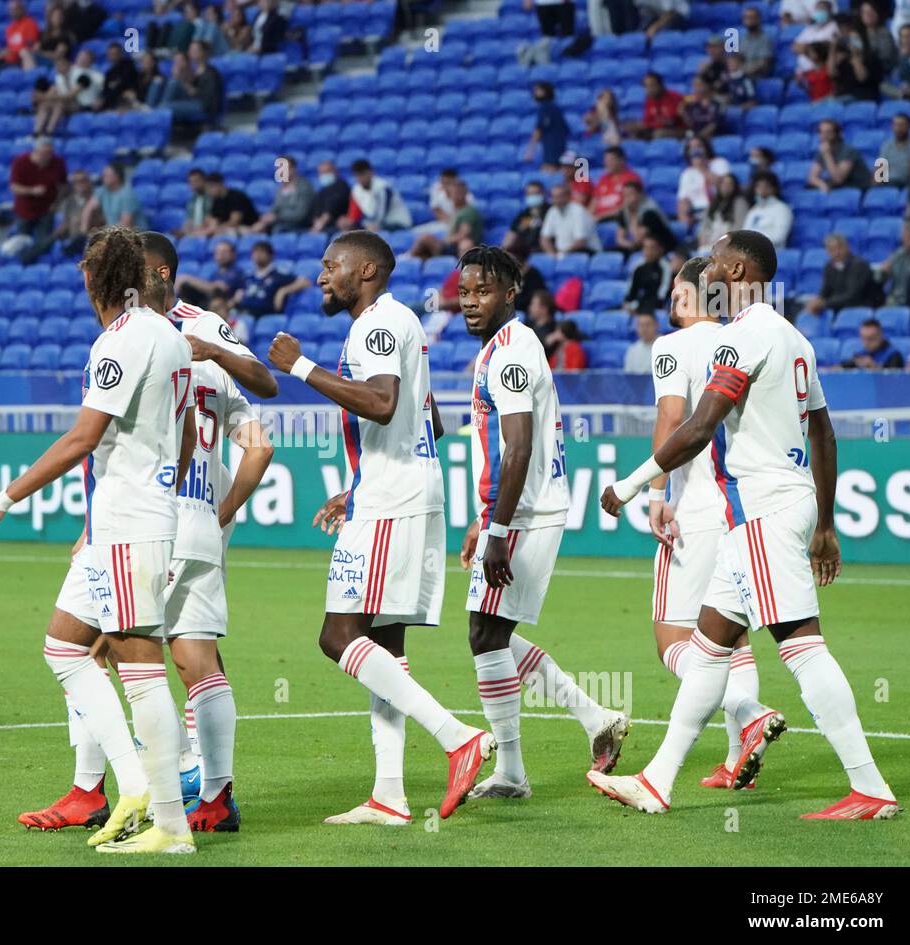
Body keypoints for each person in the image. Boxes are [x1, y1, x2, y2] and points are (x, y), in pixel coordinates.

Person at [595, 229, 901, 820]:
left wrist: (630, 486)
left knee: (802, 646)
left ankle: (871, 789)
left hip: (762, 507)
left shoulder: (744, 335)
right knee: (708, 648)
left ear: (736, 272)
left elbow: (697, 427)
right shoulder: (795, 339)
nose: (705, 268)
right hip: (772, 511)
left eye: (713, 260)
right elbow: (824, 432)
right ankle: (657, 781)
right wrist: (826, 523)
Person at [0, 226, 198, 855]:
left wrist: (0, 502)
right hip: (123, 522)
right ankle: (133, 786)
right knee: (65, 647)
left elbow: (81, 439)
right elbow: (184, 432)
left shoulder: (119, 342)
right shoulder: (169, 336)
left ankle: (171, 826)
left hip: (129, 524)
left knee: (139, 664)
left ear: (97, 280)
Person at [266, 230, 496, 824]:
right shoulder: (399, 323)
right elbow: (430, 421)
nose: (321, 275)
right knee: (385, 646)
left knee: (338, 637)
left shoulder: (374, 325)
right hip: (398, 488)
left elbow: (382, 403)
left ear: (365, 269)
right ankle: (389, 795)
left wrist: (301, 367)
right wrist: (360, 482)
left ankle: (457, 738)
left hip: (392, 502)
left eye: (330, 265)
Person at [456, 245, 630, 797]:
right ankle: (593, 716)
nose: (469, 302)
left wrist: (500, 532)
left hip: (527, 512)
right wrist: (484, 520)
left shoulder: (508, 353)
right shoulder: (503, 346)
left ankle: (511, 772)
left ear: (510, 293)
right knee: (493, 632)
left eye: (482, 291)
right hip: (517, 509)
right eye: (463, 292)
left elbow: (518, 446)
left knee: (485, 634)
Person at [149, 232, 276, 830]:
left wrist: (216, 513)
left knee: (91, 648)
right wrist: (218, 515)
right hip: (194, 520)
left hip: (160, 521)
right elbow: (259, 443)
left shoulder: (186, 333)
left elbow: (261, 383)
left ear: (161, 272)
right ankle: (214, 793)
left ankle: (142, 781)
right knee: (195, 655)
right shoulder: (162, 337)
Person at [644, 257, 773, 789]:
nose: (670, 297)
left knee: (671, 634)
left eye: (677, 289)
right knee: (730, 639)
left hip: (694, 508)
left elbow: (672, 417)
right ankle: (736, 757)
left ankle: (747, 712)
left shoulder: (672, 346)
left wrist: (654, 490)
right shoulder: (735, 342)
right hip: (737, 508)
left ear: (696, 294)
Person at [9, 137, 67, 249]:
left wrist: (57, 203)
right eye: (44, 153)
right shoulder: (20, 162)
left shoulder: (58, 162)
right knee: (23, 242)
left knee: (44, 242)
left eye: (50, 153)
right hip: (25, 210)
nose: (47, 156)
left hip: (47, 210)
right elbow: (14, 187)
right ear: (35, 152)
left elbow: (64, 186)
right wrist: (31, 191)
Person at [407, 178, 483, 259]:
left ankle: (407, 258)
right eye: (453, 194)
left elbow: (463, 234)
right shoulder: (457, 212)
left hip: (457, 247)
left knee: (425, 238)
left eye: (457, 193)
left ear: (464, 194)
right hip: (451, 246)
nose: (454, 196)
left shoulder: (468, 212)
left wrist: (446, 241)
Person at [802, 234, 877, 316]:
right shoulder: (829, 267)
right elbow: (825, 292)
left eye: (839, 248)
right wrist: (817, 301)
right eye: (831, 250)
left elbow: (852, 295)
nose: (836, 253)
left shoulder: (859, 265)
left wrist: (824, 303)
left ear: (847, 247)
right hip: (838, 307)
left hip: (861, 307)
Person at [234, 240, 308, 316]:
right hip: (244, 314)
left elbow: (305, 282)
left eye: (261, 252)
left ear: (270, 255)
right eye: (255, 252)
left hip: (266, 315)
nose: (257, 255)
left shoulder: (278, 275)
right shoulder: (247, 276)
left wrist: (283, 291)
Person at [340, 160, 411, 232]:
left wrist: (370, 225)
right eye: (357, 175)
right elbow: (360, 214)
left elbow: (382, 213)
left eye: (362, 174)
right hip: (377, 224)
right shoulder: (356, 190)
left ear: (371, 173)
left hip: (397, 223)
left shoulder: (383, 187)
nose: (361, 178)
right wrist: (349, 223)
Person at [676, 137, 730, 231]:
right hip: (697, 213)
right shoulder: (687, 173)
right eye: (692, 147)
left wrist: (702, 168)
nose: (696, 150)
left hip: (717, 210)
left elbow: (724, 187)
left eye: (698, 146)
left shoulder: (720, 163)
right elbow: (683, 199)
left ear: (706, 148)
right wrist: (683, 216)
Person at [251, 155, 314, 233]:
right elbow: (275, 209)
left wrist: (276, 217)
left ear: (293, 169)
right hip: (281, 223)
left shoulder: (304, 187)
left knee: (278, 230)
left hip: (299, 225)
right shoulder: (281, 189)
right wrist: (264, 221)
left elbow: (300, 214)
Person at [176, 239, 245, 306]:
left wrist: (187, 279)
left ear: (233, 254)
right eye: (217, 252)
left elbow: (218, 289)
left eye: (224, 252)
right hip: (208, 305)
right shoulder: (215, 274)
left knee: (184, 281)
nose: (220, 255)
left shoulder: (237, 272)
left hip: (223, 308)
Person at [808, 120, 871, 192]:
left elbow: (838, 179)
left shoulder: (848, 150)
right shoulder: (823, 149)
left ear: (837, 134)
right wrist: (821, 184)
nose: (824, 136)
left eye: (828, 132)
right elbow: (812, 177)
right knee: (809, 188)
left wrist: (827, 154)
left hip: (857, 187)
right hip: (841, 187)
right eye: (821, 132)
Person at [540, 183, 600, 255]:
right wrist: (553, 255)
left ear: (569, 196)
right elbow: (544, 239)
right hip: (565, 253)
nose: (557, 200)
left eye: (560, 196)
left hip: (587, 252)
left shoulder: (578, 211)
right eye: (554, 197)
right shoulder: (552, 211)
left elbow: (581, 242)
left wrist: (562, 255)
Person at [623, 71, 684, 140]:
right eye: (646, 86)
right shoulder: (649, 100)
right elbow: (647, 120)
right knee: (632, 134)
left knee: (659, 134)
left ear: (661, 85)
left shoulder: (674, 97)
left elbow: (671, 121)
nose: (649, 89)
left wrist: (648, 125)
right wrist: (639, 126)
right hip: (654, 130)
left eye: (652, 85)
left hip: (677, 130)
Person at [697, 173, 748, 254]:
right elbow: (704, 225)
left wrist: (725, 241)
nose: (726, 187)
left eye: (729, 184)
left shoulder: (739, 203)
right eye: (723, 183)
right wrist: (702, 238)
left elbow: (739, 227)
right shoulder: (714, 204)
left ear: (734, 187)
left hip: (728, 244)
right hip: (710, 243)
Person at [589, 146, 642, 222]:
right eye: (606, 160)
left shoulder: (632, 178)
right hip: (597, 219)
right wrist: (587, 217)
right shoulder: (603, 178)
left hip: (618, 219)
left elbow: (629, 206)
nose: (606, 163)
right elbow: (594, 202)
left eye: (611, 160)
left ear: (621, 160)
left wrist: (601, 217)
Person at [525, 82, 570, 170]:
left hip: (552, 145)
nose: (535, 93)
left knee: (550, 169)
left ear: (545, 92)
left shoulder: (545, 107)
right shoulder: (555, 107)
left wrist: (530, 151)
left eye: (538, 90)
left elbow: (539, 129)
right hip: (559, 144)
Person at [743, 172, 793, 248]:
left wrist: (754, 240)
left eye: (766, 186)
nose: (762, 190)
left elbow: (779, 237)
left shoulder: (782, 209)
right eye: (758, 186)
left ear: (774, 188)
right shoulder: (753, 211)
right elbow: (744, 234)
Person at [624, 236, 671, 314]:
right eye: (645, 248)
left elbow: (662, 296)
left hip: (655, 307)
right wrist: (627, 304)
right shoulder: (638, 266)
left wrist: (638, 306)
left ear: (660, 250)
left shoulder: (665, 267)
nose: (648, 252)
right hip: (637, 305)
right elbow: (631, 291)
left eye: (652, 248)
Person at [93, 162, 147, 229]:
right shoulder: (103, 191)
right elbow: (89, 209)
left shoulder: (128, 195)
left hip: (135, 236)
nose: (102, 178)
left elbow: (125, 225)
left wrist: (105, 233)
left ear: (116, 176)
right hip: (115, 234)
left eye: (106, 175)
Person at [842, 318, 906, 368]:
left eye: (871, 338)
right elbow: (840, 368)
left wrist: (874, 367)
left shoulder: (893, 355)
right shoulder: (860, 355)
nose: (866, 342)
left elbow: (895, 380)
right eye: (863, 338)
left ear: (881, 336)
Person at [309, 159, 351, 234]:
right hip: (323, 228)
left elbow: (332, 208)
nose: (323, 175)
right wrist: (316, 223)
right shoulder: (322, 190)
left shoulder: (341, 186)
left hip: (338, 227)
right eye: (321, 173)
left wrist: (319, 225)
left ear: (334, 171)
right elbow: (316, 209)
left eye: (326, 172)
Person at [0, 0, 39, 70]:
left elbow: (30, 44)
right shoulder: (10, 28)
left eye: (16, 9)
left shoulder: (30, 23)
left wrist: (12, 51)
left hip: (23, 59)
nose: (13, 12)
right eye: (11, 9)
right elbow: (10, 46)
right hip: (9, 61)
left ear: (22, 9)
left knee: (24, 52)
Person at [879, 113, 910, 187]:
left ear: (909, 126)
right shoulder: (887, 145)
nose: (898, 128)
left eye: (902, 125)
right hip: (887, 183)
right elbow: (880, 169)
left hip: (907, 183)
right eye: (895, 125)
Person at [739, 6, 775, 77]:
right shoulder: (743, 39)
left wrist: (745, 72)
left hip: (757, 77)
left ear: (758, 19)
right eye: (746, 18)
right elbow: (740, 58)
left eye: (751, 18)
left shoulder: (764, 39)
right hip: (743, 75)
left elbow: (764, 63)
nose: (748, 21)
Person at [101, 41, 138, 109]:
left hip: (126, 98)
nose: (112, 56)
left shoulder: (128, 66)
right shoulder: (109, 73)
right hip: (112, 100)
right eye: (110, 54)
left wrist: (115, 88)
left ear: (120, 54)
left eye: (115, 54)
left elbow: (126, 83)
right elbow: (106, 90)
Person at [623, 309, 660, 373]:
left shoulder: (666, 347)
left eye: (648, 325)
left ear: (656, 325)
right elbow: (628, 377)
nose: (644, 329)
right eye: (641, 325)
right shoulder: (632, 350)